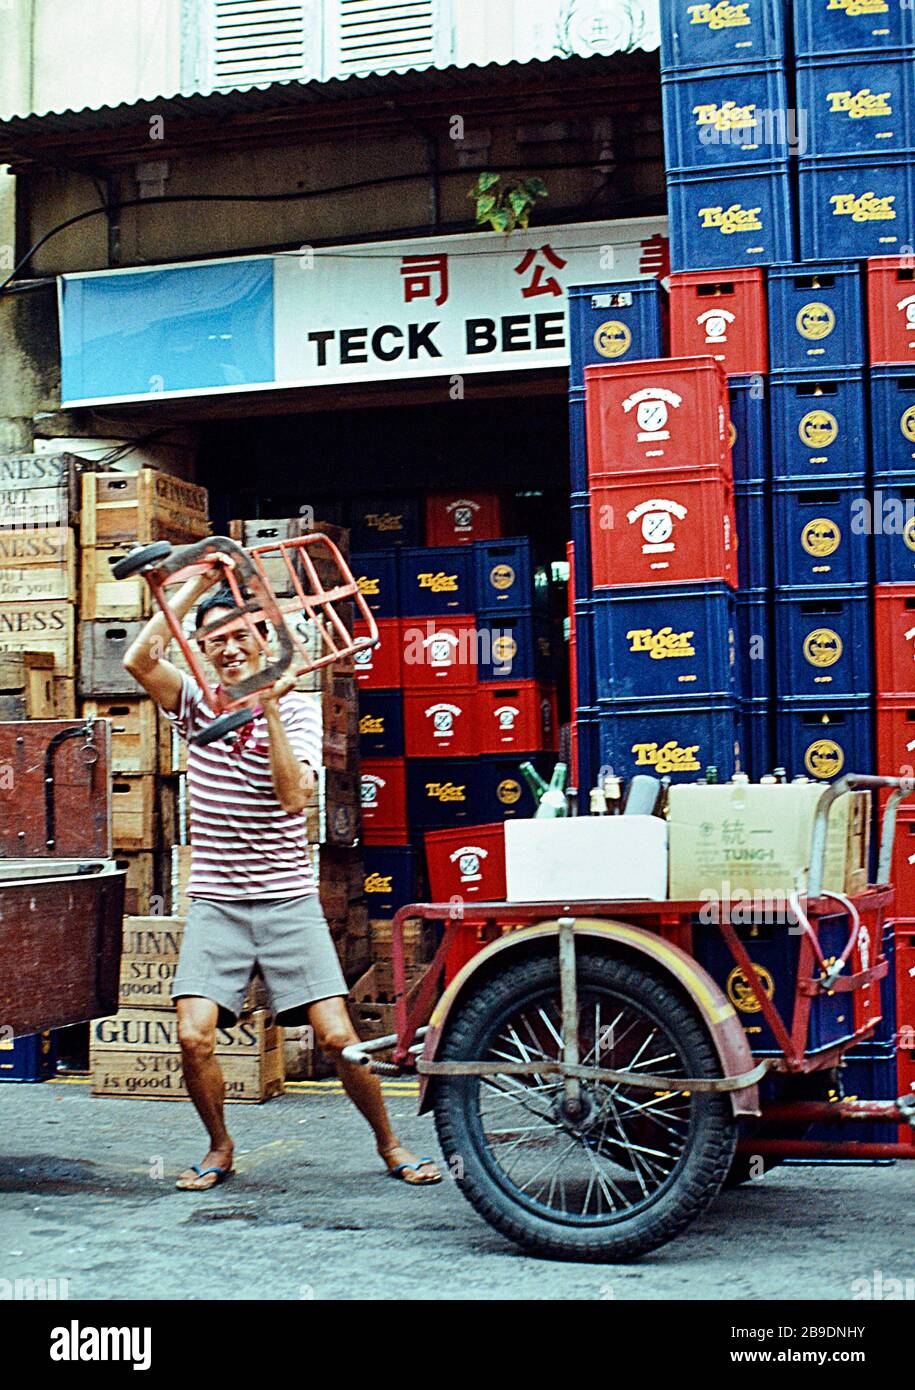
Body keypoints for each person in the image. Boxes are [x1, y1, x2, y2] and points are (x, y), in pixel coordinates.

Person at [122, 567, 441, 1190]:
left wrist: (267, 710)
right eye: (215, 639)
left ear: (265, 641)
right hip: (217, 901)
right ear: (203, 650)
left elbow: (294, 797)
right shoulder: (193, 702)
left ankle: (391, 1143)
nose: (231, 648)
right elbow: (139, 657)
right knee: (193, 1037)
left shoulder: (296, 708)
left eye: (242, 634)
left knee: (338, 1039)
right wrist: (191, 583)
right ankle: (219, 1146)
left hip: (286, 900)